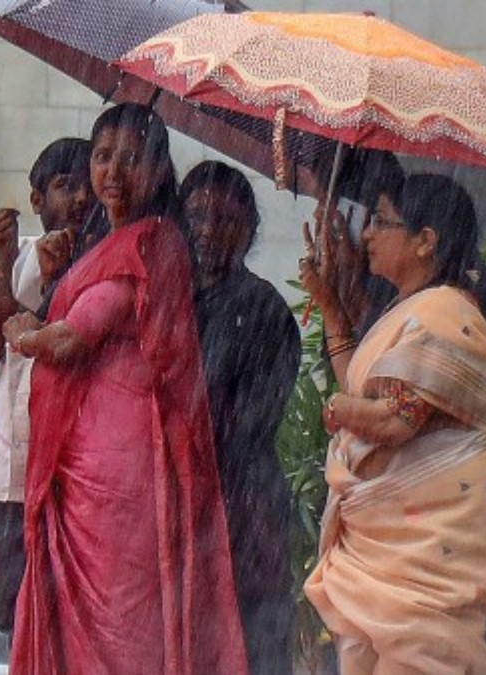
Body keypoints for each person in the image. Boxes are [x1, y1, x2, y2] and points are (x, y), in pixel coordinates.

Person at [1, 103, 248, 675]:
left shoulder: (152, 242)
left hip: (119, 474)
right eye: (103, 156)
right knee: (89, 623)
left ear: (160, 169)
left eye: (131, 158)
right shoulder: (109, 243)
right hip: (87, 461)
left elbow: (71, 341)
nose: (113, 171)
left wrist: (21, 329)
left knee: (120, 624)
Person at [303, 153, 486, 673]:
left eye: (382, 222)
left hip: (422, 546)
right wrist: (332, 308)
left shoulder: (446, 312)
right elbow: (359, 386)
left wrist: (342, 412)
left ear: (425, 241)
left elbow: (396, 420)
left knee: (416, 656)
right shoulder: (403, 307)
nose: (367, 236)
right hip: (383, 540)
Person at [0, 137, 92, 637]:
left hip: (65, 481)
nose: (80, 198)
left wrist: (14, 298)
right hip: (10, 481)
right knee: (15, 624)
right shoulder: (11, 259)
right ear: (36, 201)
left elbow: (56, 341)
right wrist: (1, 267)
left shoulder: (95, 261)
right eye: (65, 186)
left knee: (64, 628)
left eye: (86, 187)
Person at [179, 160, 301, 674]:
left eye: (226, 220)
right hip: (182, 508)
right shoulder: (169, 299)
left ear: (249, 231)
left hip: (243, 517)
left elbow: (249, 423)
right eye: (198, 215)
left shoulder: (265, 310)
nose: (208, 231)